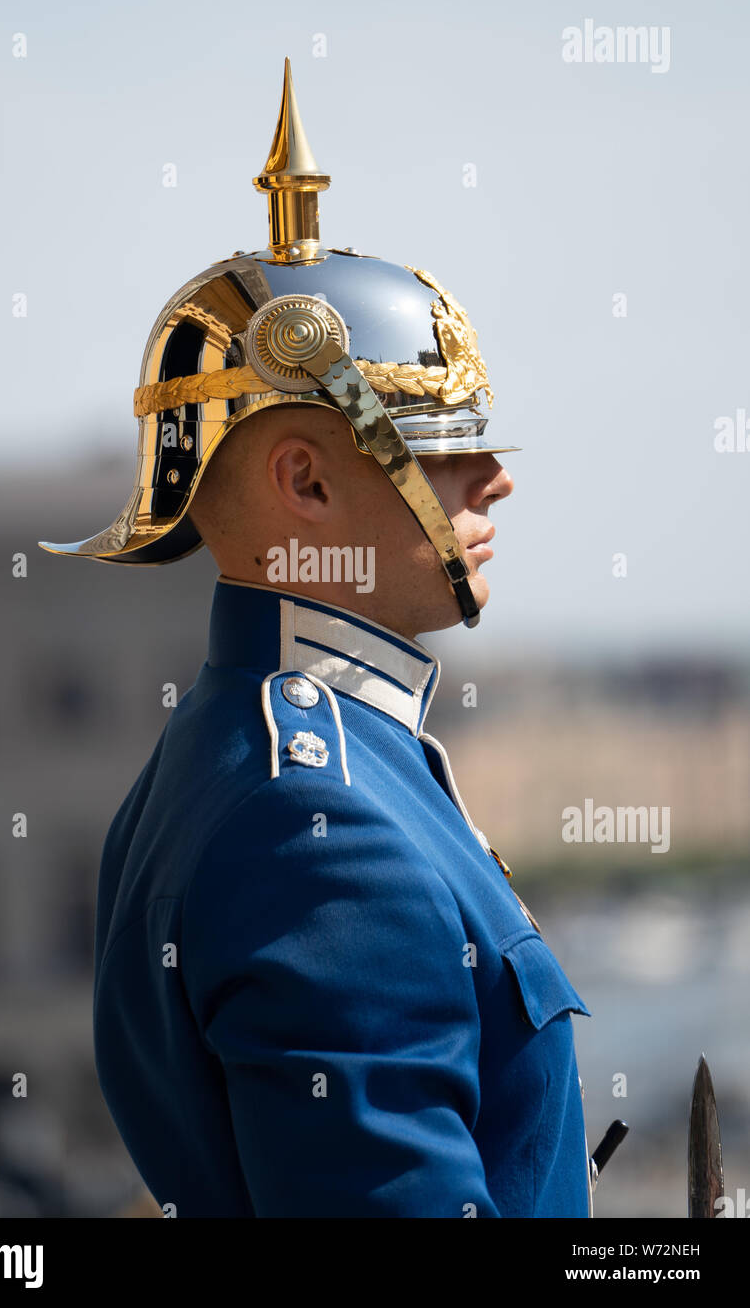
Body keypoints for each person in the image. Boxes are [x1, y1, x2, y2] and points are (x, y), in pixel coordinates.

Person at [41, 59, 592, 1217]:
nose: (496, 477)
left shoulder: (265, 750)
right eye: (443, 443)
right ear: (305, 479)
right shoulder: (318, 826)